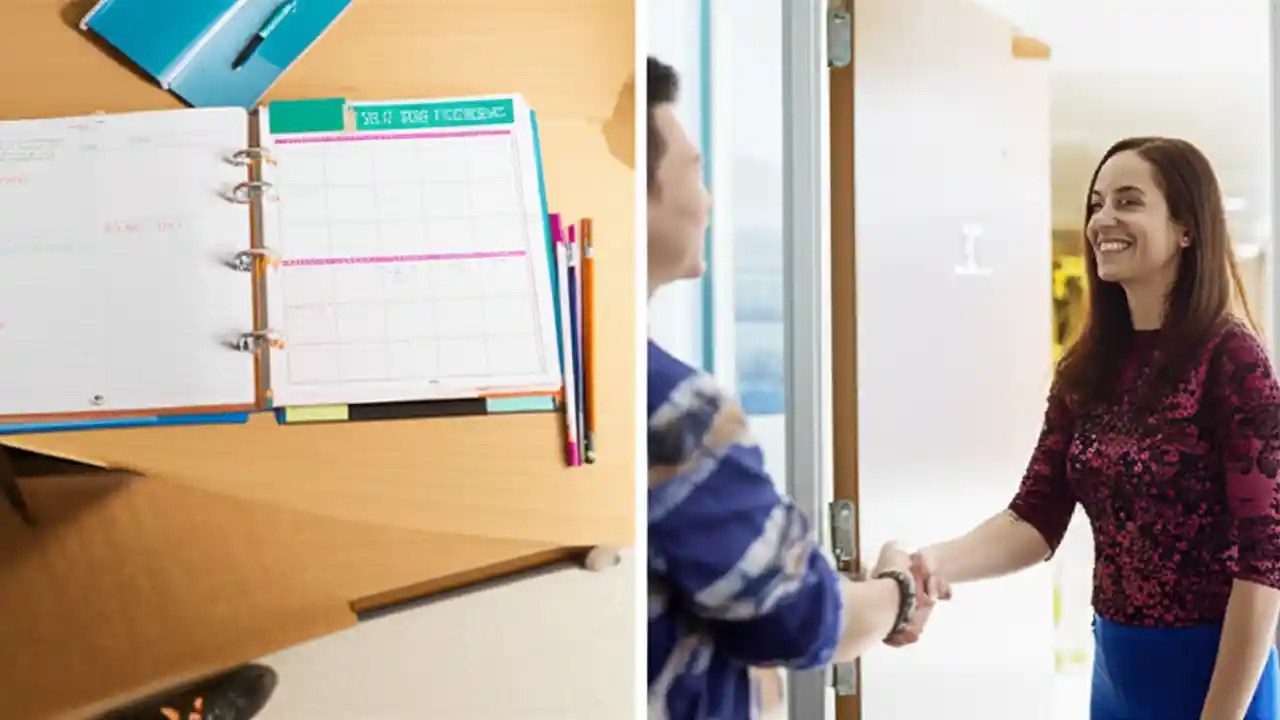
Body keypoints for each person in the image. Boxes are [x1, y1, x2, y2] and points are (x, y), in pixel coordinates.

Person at [904, 136, 1280, 720]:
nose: (1103, 219)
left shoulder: (1232, 361)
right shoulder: (1089, 367)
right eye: (1096, 204)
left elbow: (1265, 563)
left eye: (1129, 201)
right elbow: (1034, 516)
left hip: (1216, 677)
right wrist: (934, 562)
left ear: (1187, 228)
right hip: (1116, 671)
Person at [645, 55, 943, 719]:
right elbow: (802, 617)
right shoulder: (672, 410)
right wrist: (897, 590)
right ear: (638, 190)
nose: (708, 199)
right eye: (692, 172)